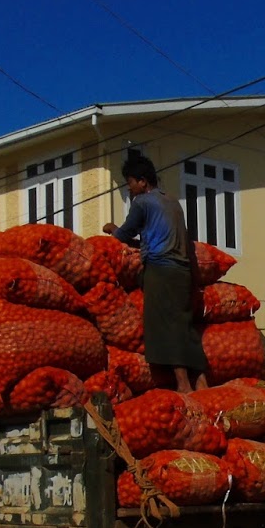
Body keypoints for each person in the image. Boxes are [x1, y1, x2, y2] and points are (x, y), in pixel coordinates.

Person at [102, 155, 209, 393]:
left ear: (142, 181)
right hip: (182, 272)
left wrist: (111, 228)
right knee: (185, 325)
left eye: (130, 183)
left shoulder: (142, 203)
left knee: (163, 325)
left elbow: (122, 236)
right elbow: (176, 239)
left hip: (160, 270)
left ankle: (183, 384)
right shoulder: (172, 201)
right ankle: (201, 381)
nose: (129, 188)